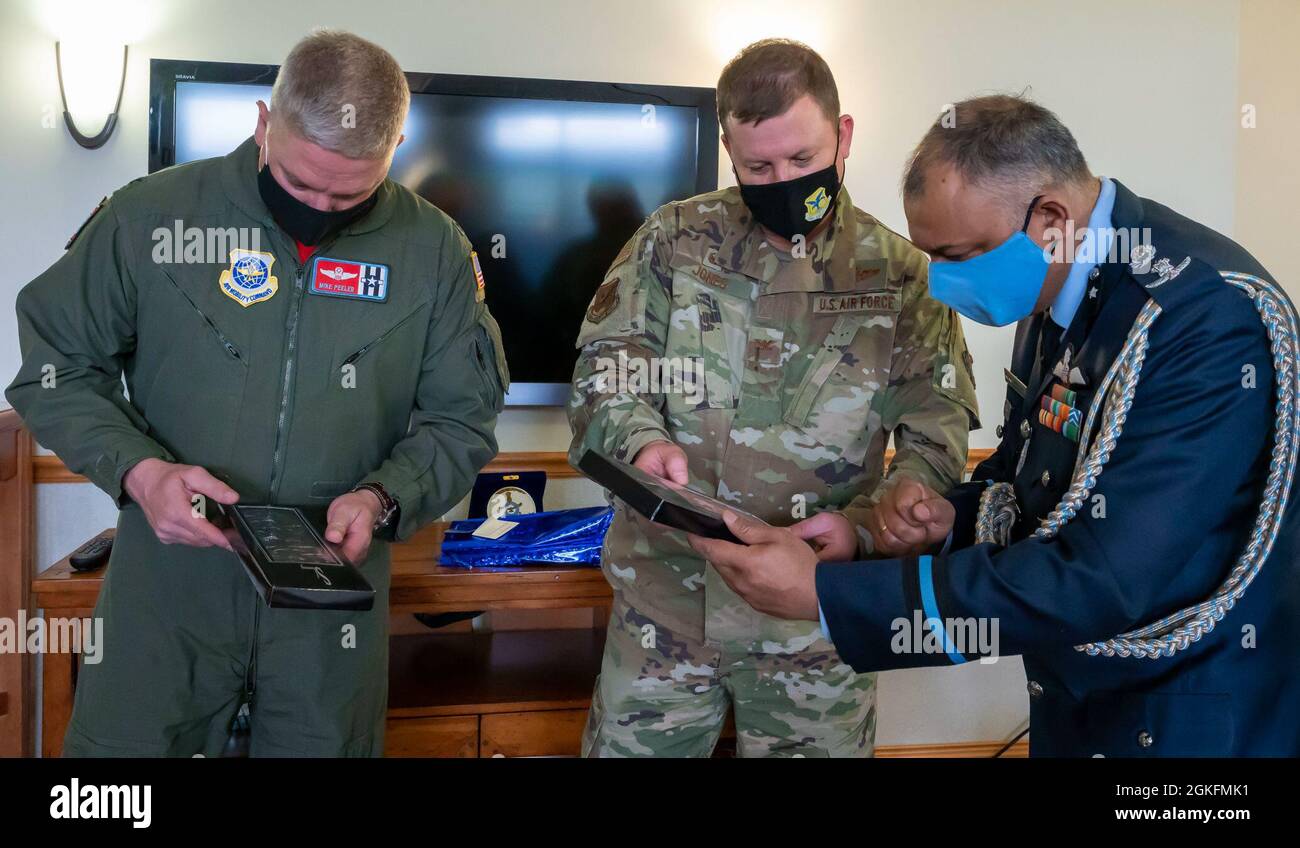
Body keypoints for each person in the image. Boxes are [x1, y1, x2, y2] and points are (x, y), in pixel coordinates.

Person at [690, 95, 1300, 757]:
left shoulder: (1204, 319)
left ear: (1049, 218)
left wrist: (827, 595)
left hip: (1188, 725)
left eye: (961, 256)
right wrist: (906, 529)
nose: (945, 285)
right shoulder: (1060, 283)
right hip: (1075, 701)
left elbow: (1102, 578)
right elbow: (1028, 486)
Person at [5, 29, 509, 757]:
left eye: (352, 192)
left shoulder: (433, 252)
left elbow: (462, 417)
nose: (323, 207)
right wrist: (142, 474)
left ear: (397, 145)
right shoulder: (151, 217)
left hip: (331, 597)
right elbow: (55, 369)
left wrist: (384, 498)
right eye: (303, 185)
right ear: (264, 124)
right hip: (169, 587)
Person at [568, 39, 979, 757]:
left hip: (817, 623)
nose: (783, 181)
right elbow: (609, 365)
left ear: (843, 135)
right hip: (666, 609)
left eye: (801, 160)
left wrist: (874, 526)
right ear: (728, 146)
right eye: (758, 166)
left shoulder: (903, 274)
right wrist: (640, 441)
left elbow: (934, 436)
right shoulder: (673, 240)